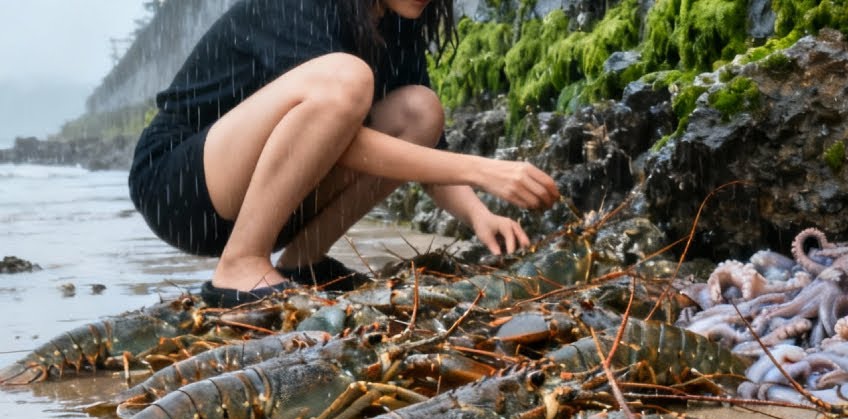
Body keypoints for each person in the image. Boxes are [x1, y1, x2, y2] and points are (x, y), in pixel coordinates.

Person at [129, 0, 560, 308]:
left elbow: (421, 147)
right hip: (182, 184)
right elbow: (341, 138)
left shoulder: (393, 22)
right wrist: (484, 169)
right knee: (346, 78)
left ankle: (303, 263)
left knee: (420, 110)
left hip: (270, 197)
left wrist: (479, 214)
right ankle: (240, 264)